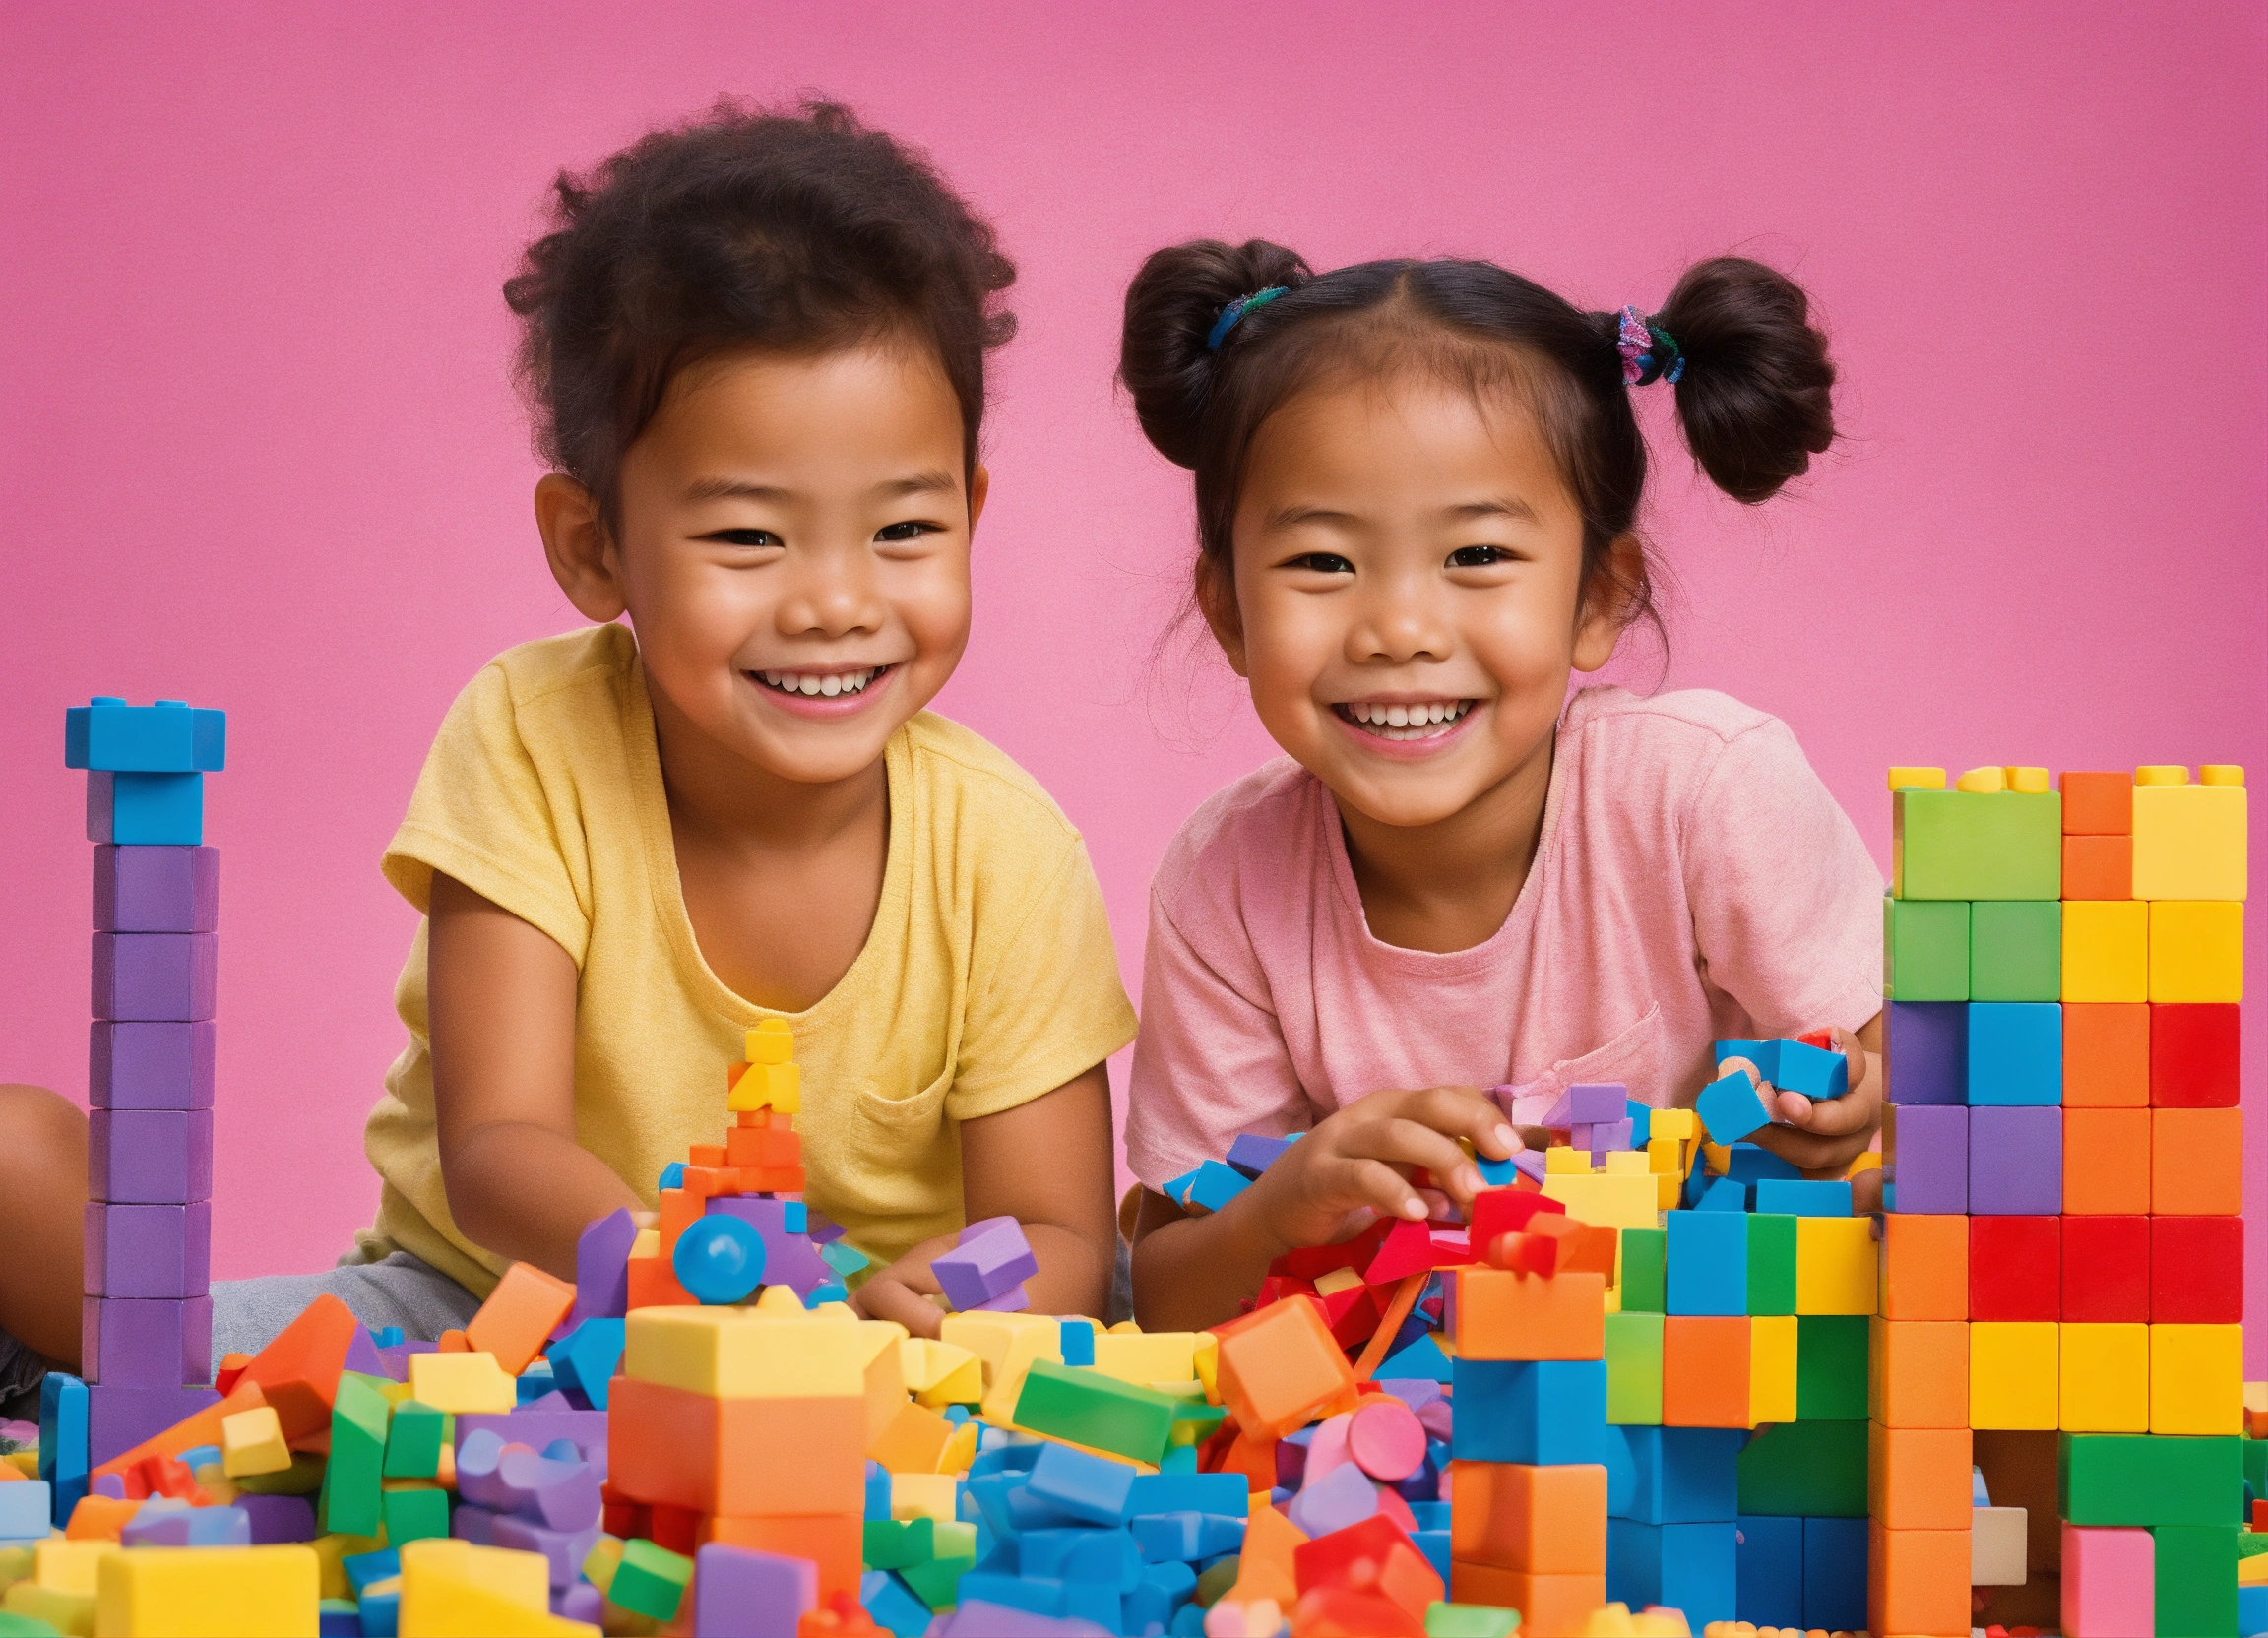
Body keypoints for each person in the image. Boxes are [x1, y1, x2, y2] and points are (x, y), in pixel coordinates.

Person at [0, 102, 1134, 1407]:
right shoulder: (534, 738)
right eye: (750, 540)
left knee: (1118, 1308)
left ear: (971, 515)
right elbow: (499, 1146)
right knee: (23, 1172)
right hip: (498, 1314)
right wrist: (701, 1293)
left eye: (903, 531)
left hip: (866, 1365)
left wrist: (909, 1320)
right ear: (595, 548)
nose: (836, 601)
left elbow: (1058, 1234)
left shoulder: (1007, 845)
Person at [1116, 242, 1884, 1331]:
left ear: (1599, 598)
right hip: (1392, 1451)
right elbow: (1163, 1297)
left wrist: (1857, 1101)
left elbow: (1920, 1086)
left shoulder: (1702, 794)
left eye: (1475, 555)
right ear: (1230, 613)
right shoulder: (1228, 878)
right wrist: (1280, 1210)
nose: (1398, 630)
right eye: (1324, 563)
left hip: (1719, 1406)